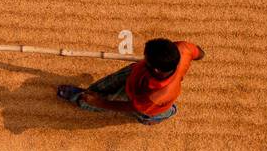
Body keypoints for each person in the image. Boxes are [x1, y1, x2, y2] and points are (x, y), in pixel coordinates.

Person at [57, 38, 204, 125]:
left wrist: (99, 103)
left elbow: (132, 106)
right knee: (104, 85)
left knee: (104, 100)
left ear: (156, 70)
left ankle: (81, 99)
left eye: (145, 57)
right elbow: (198, 52)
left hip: (137, 95)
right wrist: (199, 55)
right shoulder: (182, 49)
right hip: (134, 74)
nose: (142, 57)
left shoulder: (156, 95)